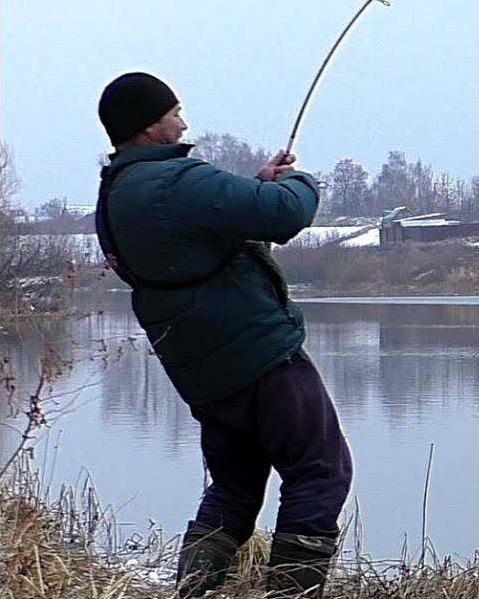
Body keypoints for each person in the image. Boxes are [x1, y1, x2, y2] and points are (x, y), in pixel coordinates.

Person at [93, 71, 353, 597]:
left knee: (234, 487)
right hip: (257, 353)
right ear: (147, 126)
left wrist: (255, 185)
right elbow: (285, 214)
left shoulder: (116, 196)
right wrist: (298, 182)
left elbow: (194, 237)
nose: (183, 124)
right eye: (174, 114)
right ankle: (291, 593)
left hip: (202, 371)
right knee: (321, 470)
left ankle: (193, 590)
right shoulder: (176, 180)